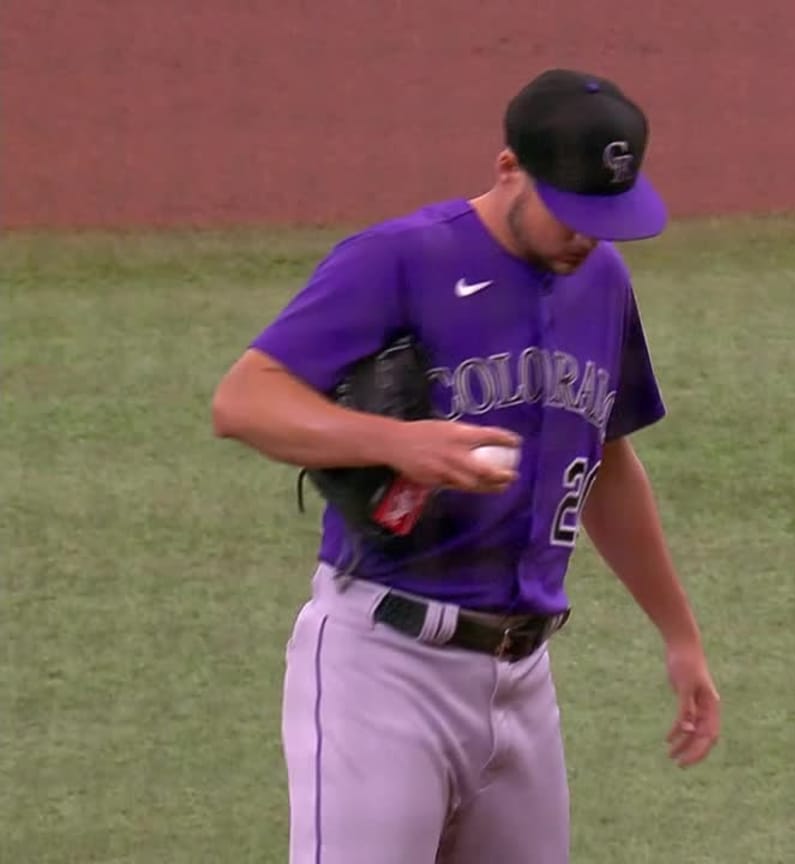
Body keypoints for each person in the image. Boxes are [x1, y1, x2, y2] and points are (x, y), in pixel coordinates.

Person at [210, 67, 720, 864]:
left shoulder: (602, 282)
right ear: (508, 168)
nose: (587, 237)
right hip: (385, 667)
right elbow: (242, 401)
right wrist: (396, 443)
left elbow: (608, 462)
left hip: (524, 679)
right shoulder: (400, 258)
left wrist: (679, 635)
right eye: (571, 212)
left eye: (604, 217)